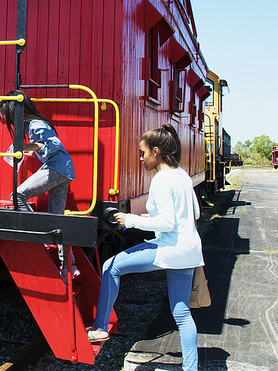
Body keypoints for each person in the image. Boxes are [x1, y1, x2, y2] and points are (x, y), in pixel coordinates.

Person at [87, 123, 203, 371]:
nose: (140, 158)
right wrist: (140, 223)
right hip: (190, 250)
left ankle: (99, 328)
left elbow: (167, 222)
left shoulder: (161, 179)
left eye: (143, 152)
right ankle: (191, 368)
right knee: (182, 314)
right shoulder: (182, 175)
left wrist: (130, 220)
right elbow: (194, 213)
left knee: (111, 266)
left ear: (157, 151)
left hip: (170, 248)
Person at [0, 91, 78, 278]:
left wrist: (27, 147)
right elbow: (46, 148)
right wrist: (29, 151)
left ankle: (41, 235)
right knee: (57, 218)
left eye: (8, 114)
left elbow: (52, 145)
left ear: (16, 111)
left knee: (17, 195)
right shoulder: (32, 124)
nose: (7, 118)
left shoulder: (35, 124)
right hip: (64, 169)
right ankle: (69, 266)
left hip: (56, 168)